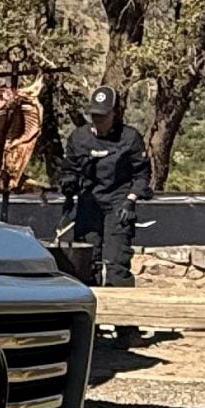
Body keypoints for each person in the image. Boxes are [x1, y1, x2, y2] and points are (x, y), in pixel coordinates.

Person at [58, 85, 151, 287]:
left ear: (114, 113)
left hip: (119, 201)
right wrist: (68, 187)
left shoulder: (130, 138)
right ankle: (89, 314)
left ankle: (120, 315)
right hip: (89, 202)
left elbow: (142, 175)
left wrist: (131, 201)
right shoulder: (79, 137)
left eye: (103, 116)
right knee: (86, 261)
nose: (98, 121)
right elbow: (69, 169)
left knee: (117, 261)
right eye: (94, 116)